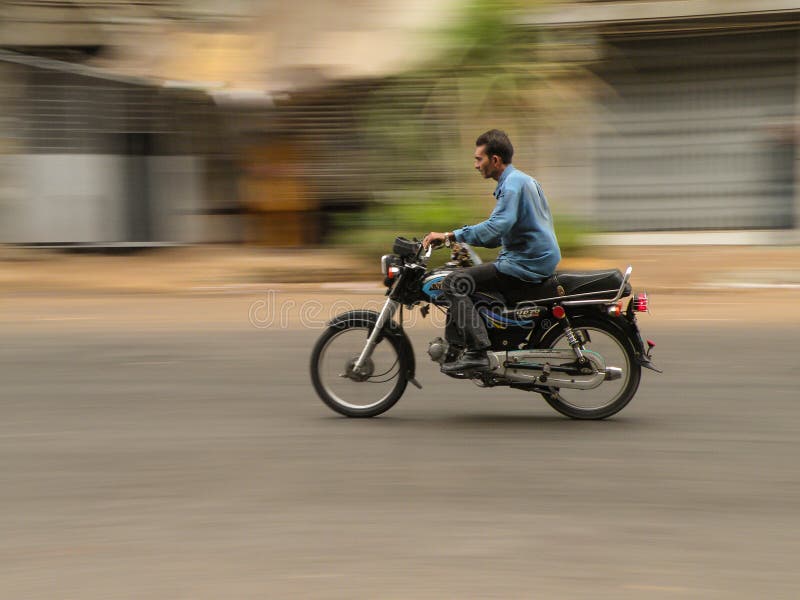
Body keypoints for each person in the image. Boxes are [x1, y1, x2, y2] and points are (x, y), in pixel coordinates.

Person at [422, 129, 561, 372]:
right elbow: (505, 232)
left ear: (494, 160)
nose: (475, 165)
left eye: (479, 159)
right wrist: (464, 244)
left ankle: (478, 351)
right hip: (533, 259)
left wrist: (449, 236)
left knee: (452, 284)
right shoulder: (522, 180)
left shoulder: (512, 186)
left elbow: (495, 229)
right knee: (471, 280)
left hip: (525, 264)